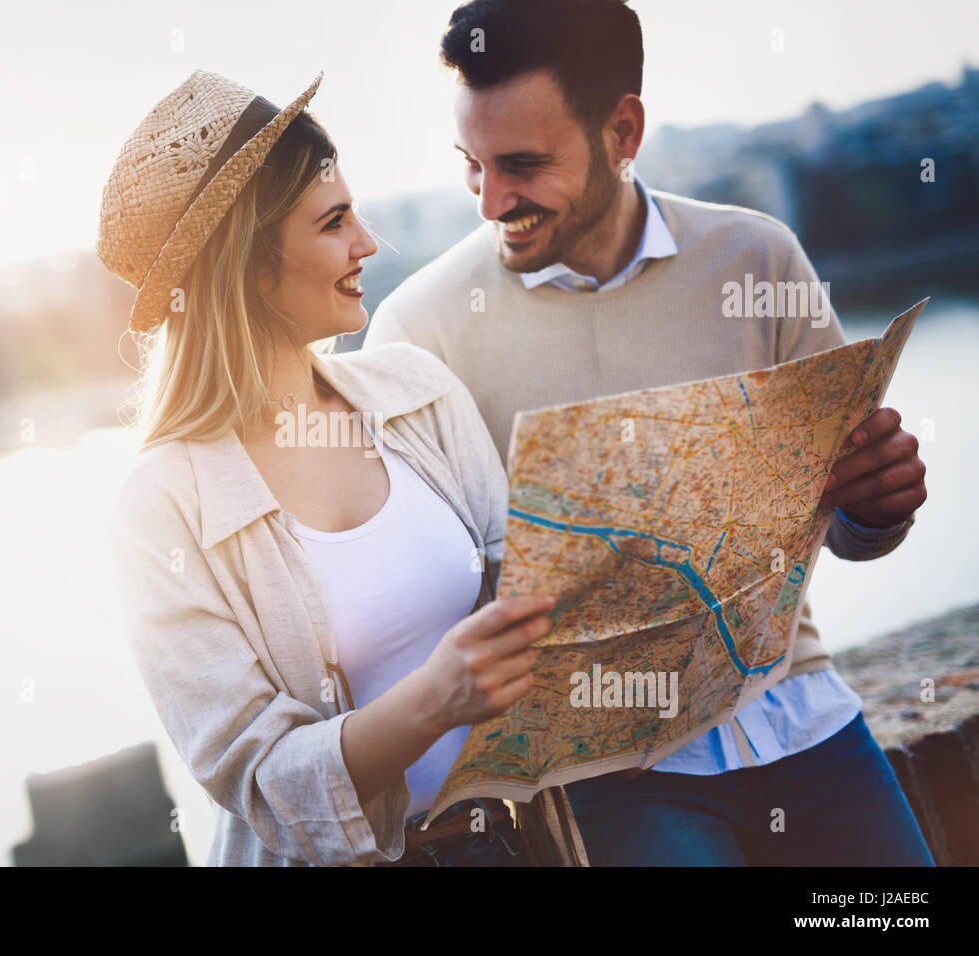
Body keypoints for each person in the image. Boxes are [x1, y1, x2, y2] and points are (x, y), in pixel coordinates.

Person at [362, 0, 934, 865]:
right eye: (470, 166)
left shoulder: (758, 260)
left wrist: (877, 508)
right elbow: (418, 609)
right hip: (610, 771)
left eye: (521, 164)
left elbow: (851, 536)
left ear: (622, 129)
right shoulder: (418, 333)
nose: (490, 201)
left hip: (802, 721)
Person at [99, 68, 588, 866]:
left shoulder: (419, 393)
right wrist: (433, 702)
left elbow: (531, 599)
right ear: (249, 269)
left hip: (516, 846)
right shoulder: (161, 509)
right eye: (333, 222)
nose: (368, 242)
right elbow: (260, 776)